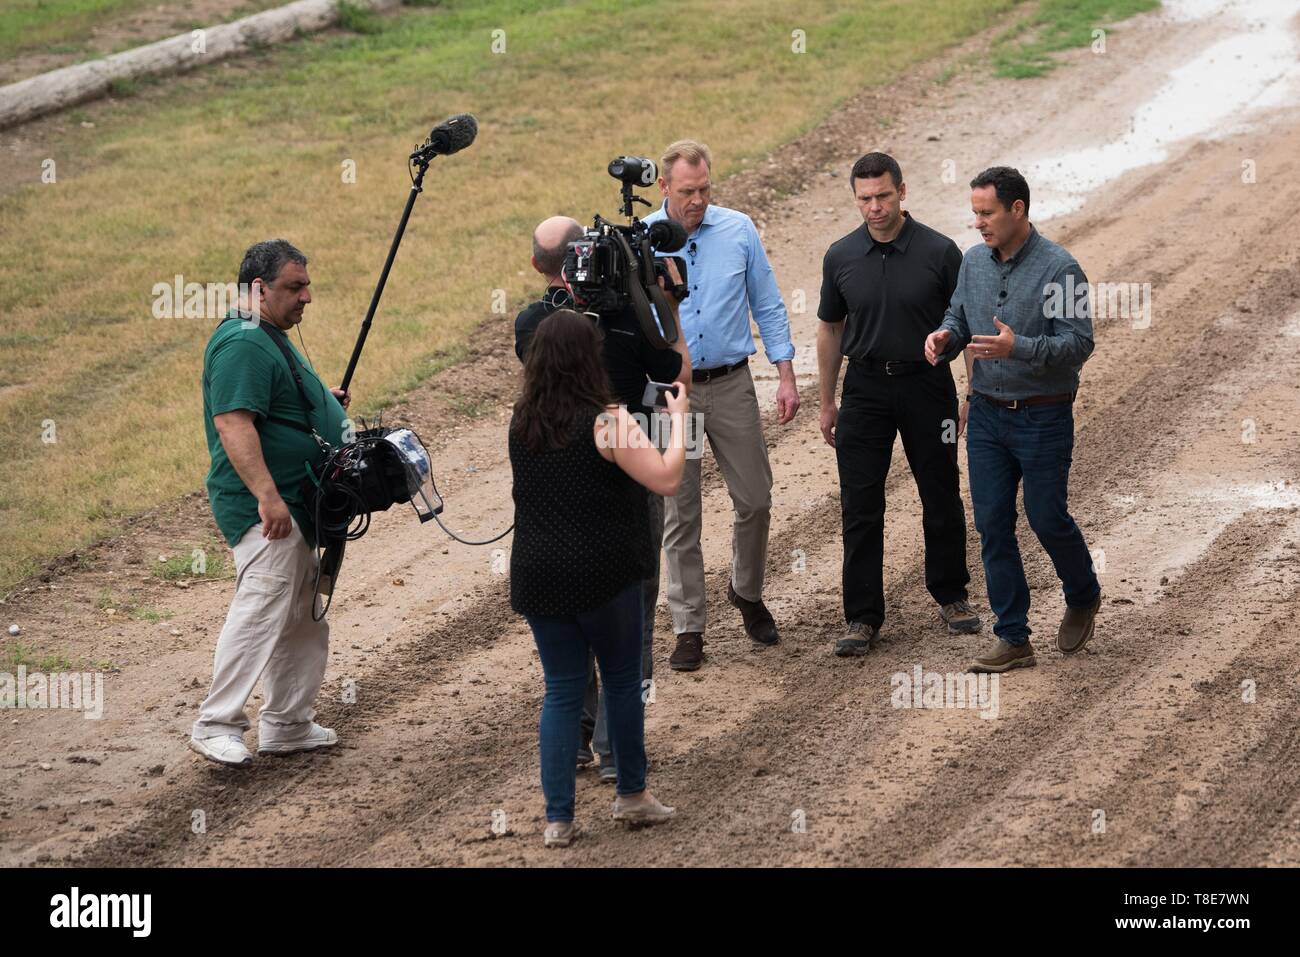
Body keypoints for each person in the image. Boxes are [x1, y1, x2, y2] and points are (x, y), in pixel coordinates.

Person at [514, 215, 691, 782]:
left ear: (545, 270)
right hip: (631, 471)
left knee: (570, 622)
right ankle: (621, 754)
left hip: (555, 489)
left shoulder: (533, 325)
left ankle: (581, 746)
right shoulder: (630, 316)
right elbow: (674, 377)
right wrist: (661, 301)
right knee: (632, 609)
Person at [924, 167, 1101, 672]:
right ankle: (1012, 635)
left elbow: (1079, 345)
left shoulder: (1061, 269)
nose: (978, 223)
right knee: (993, 524)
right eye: (975, 212)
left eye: (987, 213)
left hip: (1043, 417)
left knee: (1046, 517)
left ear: (1017, 209)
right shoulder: (974, 262)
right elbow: (959, 316)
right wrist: (945, 337)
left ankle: (1083, 592)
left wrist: (1017, 347)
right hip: (985, 417)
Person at [191, 239, 352, 766]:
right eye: (295, 287)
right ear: (258, 289)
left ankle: (287, 724)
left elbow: (268, 406)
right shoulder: (241, 342)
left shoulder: (266, 336)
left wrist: (319, 401)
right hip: (266, 506)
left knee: (304, 616)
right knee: (262, 606)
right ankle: (217, 723)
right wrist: (268, 497)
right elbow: (233, 423)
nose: (307, 297)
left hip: (296, 502)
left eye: (306, 284)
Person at [643, 139, 800, 672]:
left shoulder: (738, 230)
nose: (698, 200)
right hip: (673, 395)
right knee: (679, 512)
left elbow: (769, 302)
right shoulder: (641, 240)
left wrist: (785, 375)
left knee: (755, 499)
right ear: (664, 188)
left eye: (705, 189)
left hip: (732, 384)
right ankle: (689, 627)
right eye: (687, 191)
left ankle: (746, 591)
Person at [818, 152, 981, 657]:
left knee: (940, 491)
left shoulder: (940, 251)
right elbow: (829, 328)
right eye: (864, 198)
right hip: (864, 390)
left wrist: (972, 392)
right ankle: (862, 616)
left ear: (902, 191)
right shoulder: (840, 256)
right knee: (860, 504)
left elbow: (969, 325)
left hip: (926, 384)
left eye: (883, 195)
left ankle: (952, 595)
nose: (875, 207)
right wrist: (827, 401)